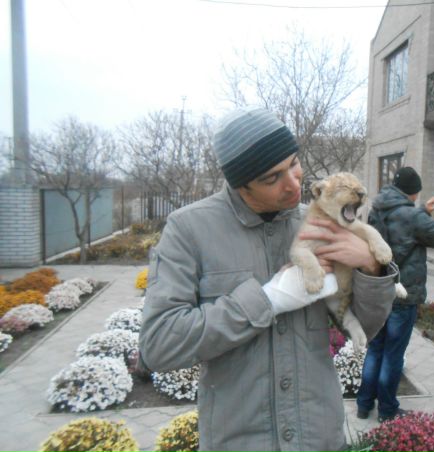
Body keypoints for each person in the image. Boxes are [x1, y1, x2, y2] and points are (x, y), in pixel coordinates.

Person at [138, 107, 399, 452]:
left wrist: (369, 267)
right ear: (240, 184)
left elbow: (365, 326)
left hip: (319, 439)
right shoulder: (189, 230)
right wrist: (270, 298)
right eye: (271, 178)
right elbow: (158, 344)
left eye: (294, 163)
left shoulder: (320, 224)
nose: (293, 183)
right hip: (239, 440)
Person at [356, 166, 434, 422]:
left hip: (379, 290)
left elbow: (400, 229)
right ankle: (387, 410)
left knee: (375, 350)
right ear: (413, 192)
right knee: (393, 355)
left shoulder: (379, 209)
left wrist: (423, 210)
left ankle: (364, 405)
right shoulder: (412, 216)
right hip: (403, 295)